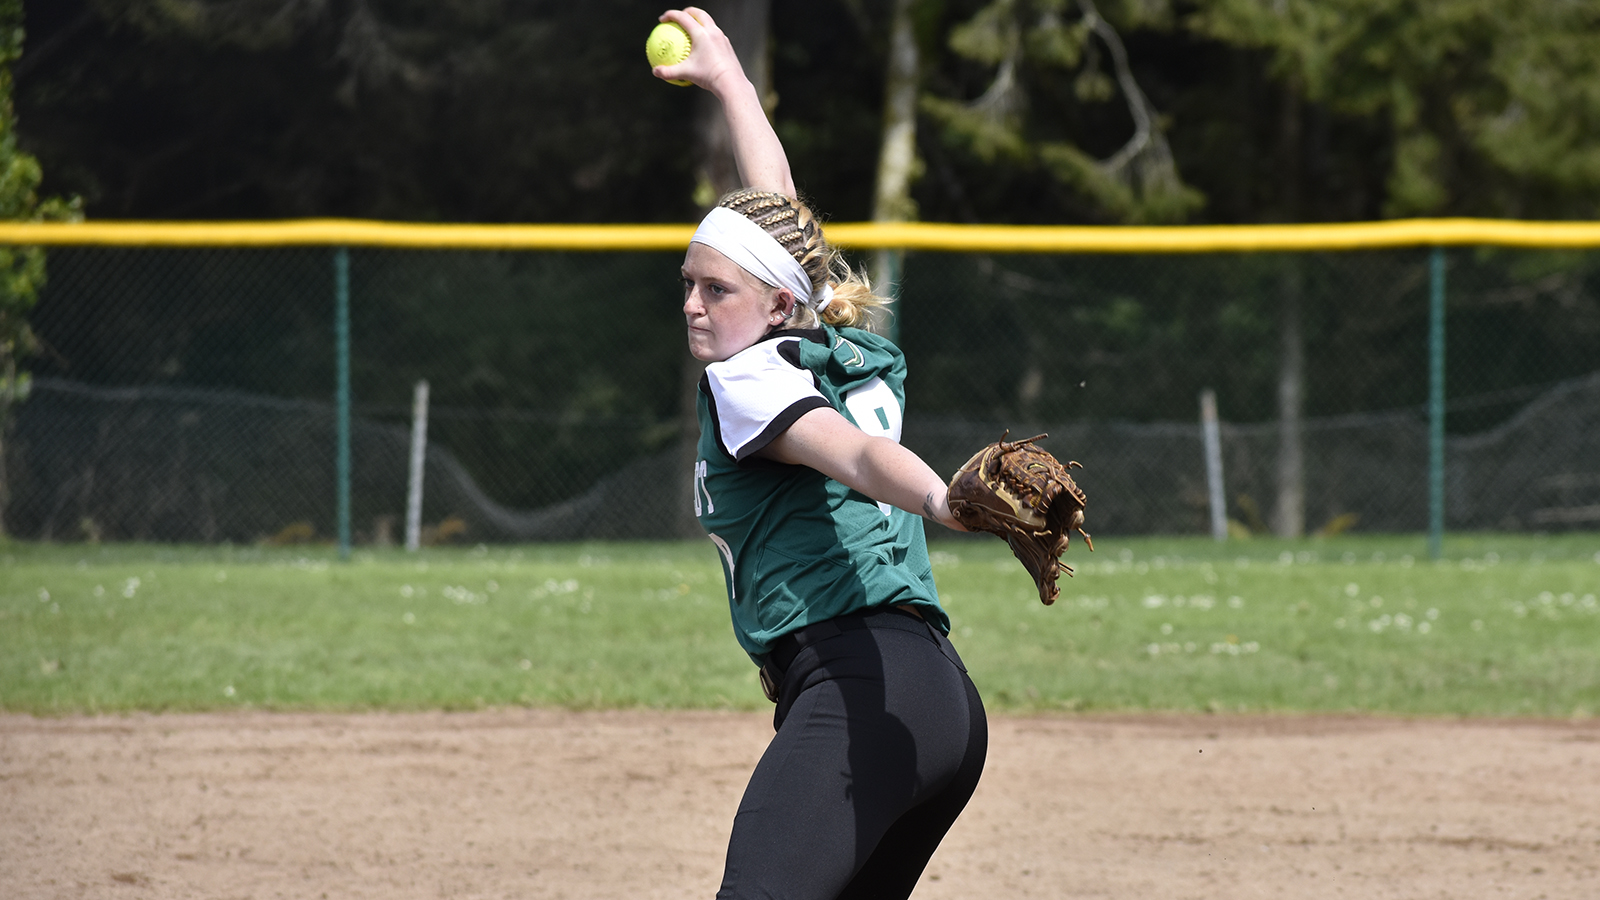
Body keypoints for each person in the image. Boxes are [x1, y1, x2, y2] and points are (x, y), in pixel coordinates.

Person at [653, 8, 987, 900]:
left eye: (715, 289)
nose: (692, 304)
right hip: (937, 700)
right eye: (688, 282)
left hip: (856, 691)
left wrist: (944, 501)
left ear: (774, 305)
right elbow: (779, 211)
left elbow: (856, 456)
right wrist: (731, 82)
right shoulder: (822, 333)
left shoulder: (749, 378)